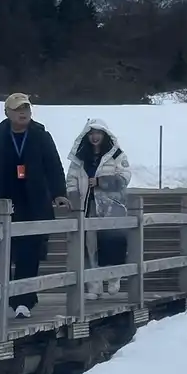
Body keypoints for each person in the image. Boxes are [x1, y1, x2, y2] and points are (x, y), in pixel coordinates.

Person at [0, 93, 68, 318]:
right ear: (7, 113)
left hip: (34, 203)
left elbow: (54, 166)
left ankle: (25, 300)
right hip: (3, 204)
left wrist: (59, 194)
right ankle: (4, 296)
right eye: (17, 109)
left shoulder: (41, 136)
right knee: (5, 253)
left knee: (30, 253)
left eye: (26, 108)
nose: (23, 112)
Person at [65, 119, 132, 298]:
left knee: (112, 243)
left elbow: (125, 176)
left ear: (104, 135)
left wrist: (102, 182)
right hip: (87, 206)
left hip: (111, 206)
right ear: (87, 135)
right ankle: (93, 286)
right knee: (89, 246)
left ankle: (113, 278)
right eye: (92, 133)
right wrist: (73, 197)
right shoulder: (79, 157)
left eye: (98, 133)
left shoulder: (116, 154)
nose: (95, 137)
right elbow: (71, 179)